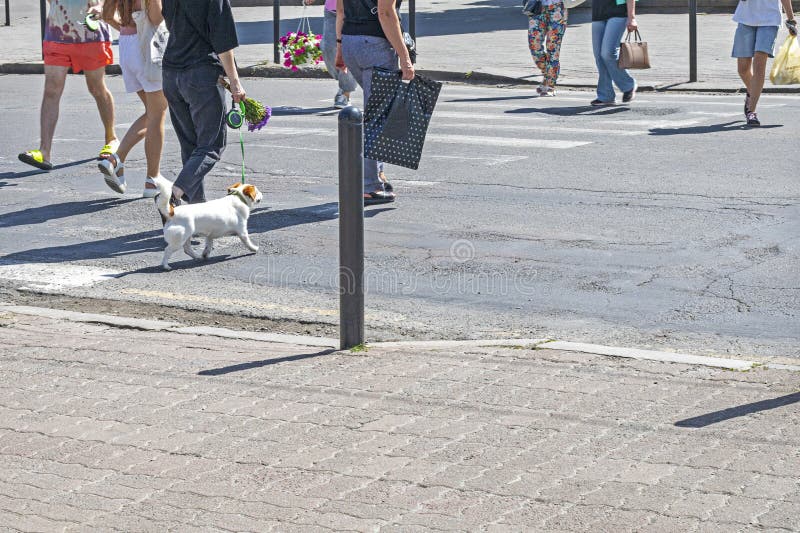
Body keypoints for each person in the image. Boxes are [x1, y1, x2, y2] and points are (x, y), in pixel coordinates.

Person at [160, 0, 246, 205]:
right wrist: (235, 82)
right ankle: (174, 193)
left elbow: (169, 21)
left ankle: (196, 211)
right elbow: (222, 38)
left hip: (171, 72)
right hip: (200, 72)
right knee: (211, 145)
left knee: (190, 146)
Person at [18, 0, 118, 171]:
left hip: (90, 35)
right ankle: (44, 151)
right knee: (51, 89)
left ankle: (111, 138)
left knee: (96, 88)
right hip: (57, 32)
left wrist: (101, 7)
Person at [336, 0, 412, 205]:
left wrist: (340, 48)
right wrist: (405, 58)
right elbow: (385, 13)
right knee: (377, 118)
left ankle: (376, 174)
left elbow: (341, 11)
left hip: (350, 40)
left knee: (376, 111)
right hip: (376, 46)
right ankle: (370, 185)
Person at [99, 0, 168, 197]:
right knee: (158, 114)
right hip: (146, 46)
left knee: (152, 112)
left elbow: (106, 15)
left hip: (126, 45)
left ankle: (121, 165)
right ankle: (148, 178)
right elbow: (156, 18)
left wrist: (123, 26)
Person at [733, 0, 796, 127]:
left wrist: (790, 19)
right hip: (745, 18)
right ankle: (752, 93)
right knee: (743, 69)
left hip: (770, 20)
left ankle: (752, 112)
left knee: (759, 65)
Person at [303, 0, 359, 108]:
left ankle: (344, 93)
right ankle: (344, 79)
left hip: (354, 11)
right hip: (332, 10)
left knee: (348, 49)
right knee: (327, 47)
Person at [590, 0, 638, 106]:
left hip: (618, 13)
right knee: (599, 56)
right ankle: (606, 95)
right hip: (598, 13)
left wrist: (632, 17)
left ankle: (628, 85)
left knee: (608, 53)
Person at [528, 1, 568, 97]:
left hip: (558, 8)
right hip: (537, 7)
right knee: (534, 45)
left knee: (553, 48)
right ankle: (549, 74)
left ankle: (550, 84)